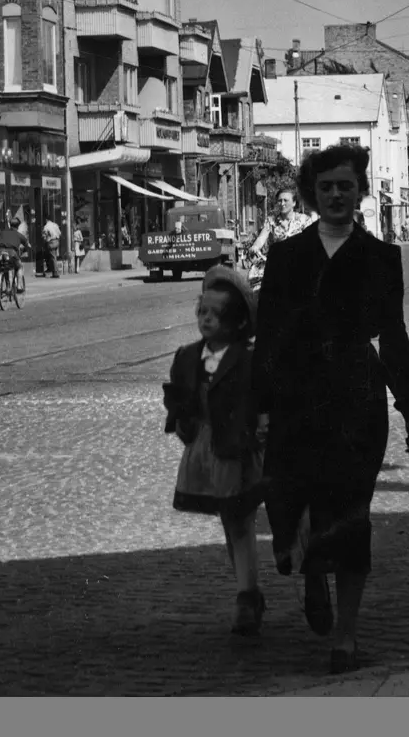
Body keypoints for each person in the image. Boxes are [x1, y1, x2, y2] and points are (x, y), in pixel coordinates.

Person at [253, 143, 409, 674]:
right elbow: (270, 338)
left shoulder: (381, 258)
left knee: (352, 517)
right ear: (312, 192)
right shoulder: (287, 257)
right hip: (297, 397)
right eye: (325, 186)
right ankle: (310, 572)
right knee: (293, 506)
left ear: (360, 191)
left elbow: (393, 336)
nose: (335, 194)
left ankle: (346, 637)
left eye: (345, 185)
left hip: (357, 398)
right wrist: (259, 410)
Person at [164, 266, 267, 637]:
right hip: (207, 450)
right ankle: (247, 591)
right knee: (232, 522)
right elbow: (181, 398)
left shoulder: (247, 359)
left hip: (238, 450)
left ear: (237, 322)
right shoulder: (188, 356)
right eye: (202, 313)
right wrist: (181, 422)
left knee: (239, 521)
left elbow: (261, 397)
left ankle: (247, 595)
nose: (206, 320)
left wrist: (262, 425)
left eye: (216, 314)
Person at [0, 215, 30, 293]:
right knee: (19, 267)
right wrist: (26, 250)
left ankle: (4, 286)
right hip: (12, 254)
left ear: (10, 224)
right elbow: (28, 245)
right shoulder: (19, 235)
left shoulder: (2, 232)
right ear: (18, 226)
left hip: (0, 253)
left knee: (2, 267)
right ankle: (19, 286)